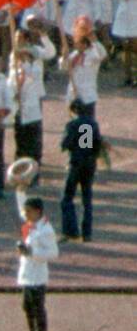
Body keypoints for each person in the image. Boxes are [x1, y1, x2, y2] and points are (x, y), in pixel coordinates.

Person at [14, 191, 59, 331]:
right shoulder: (32, 224)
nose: (25, 214)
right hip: (27, 274)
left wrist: (31, 252)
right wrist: (20, 190)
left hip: (38, 277)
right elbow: (21, 209)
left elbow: (53, 253)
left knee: (37, 309)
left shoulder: (46, 230)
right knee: (27, 307)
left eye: (29, 212)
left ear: (38, 211)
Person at [59, 100, 100, 243]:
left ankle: (70, 231)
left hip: (75, 162)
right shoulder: (93, 124)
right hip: (89, 163)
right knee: (87, 198)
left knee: (67, 197)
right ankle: (87, 233)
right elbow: (97, 145)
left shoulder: (72, 124)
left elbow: (64, 144)